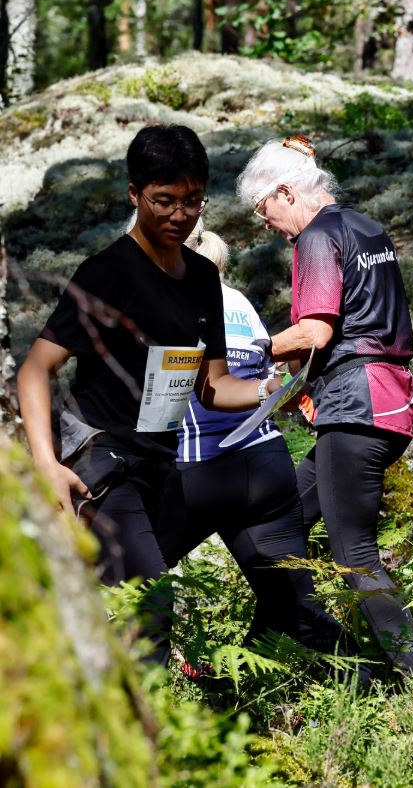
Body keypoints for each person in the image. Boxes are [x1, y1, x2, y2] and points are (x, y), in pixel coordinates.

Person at [17, 125, 278, 663]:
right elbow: (35, 369)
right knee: (153, 607)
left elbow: (213, 386)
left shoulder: (202, 277)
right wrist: (46, 464)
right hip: (105, 467)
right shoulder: (108, 273)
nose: (180, 215)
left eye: (193, 200)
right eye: (164, 200)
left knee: (122, 604)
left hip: (164, 466)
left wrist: (269, 390)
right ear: (135, 194)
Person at [236, 135, 413, 678]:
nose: (266, 224)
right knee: (281, 527)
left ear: (285, 192)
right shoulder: (367, 227)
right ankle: (249, 658)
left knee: (354, 555)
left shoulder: (317, 236)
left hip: (355, 405)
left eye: (263, 210)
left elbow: (316, 331)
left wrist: (253, 349)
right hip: (384, 402)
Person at [162, 224, 345, 656]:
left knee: (122, 574)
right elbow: (267, 377)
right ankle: (373, 678)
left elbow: (158, 398)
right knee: (296, 605)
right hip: (266, 465)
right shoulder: (240, 303)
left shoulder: (170, 302)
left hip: (199, 468)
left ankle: (138, 684)